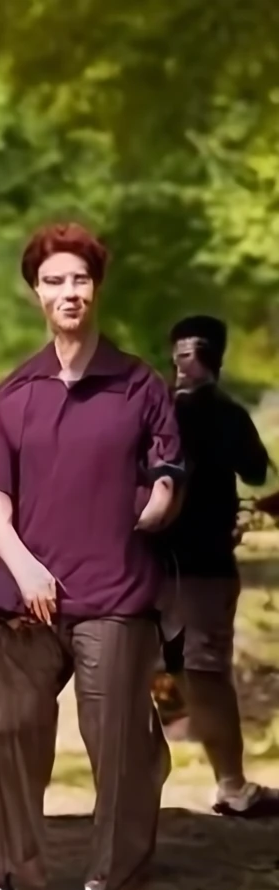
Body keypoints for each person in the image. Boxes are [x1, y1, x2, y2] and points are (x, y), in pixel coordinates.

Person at [0, 223, 183, 890]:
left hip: (114, 596)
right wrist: (22, 564)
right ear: (36, 293)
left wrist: (159, 504)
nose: (67, 292)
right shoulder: (16, 392)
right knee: (5, 738)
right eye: (54, 281)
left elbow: (168, 478)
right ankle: (7, 883)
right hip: (23, 601)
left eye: (79, 279)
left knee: (122, 747)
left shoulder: (140, 386)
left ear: (95, 288)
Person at [158, 315, 279, 817]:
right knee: (186, 669)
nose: (186, 360)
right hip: (179, 562)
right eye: (182, 350)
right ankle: (227, 783)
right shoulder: (204, 411)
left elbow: (260, 478)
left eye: (193, 351)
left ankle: (228, 783)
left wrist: (249, 512)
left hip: (178, 561)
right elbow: (258, 475)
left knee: (187, 667)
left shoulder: (176, 411)